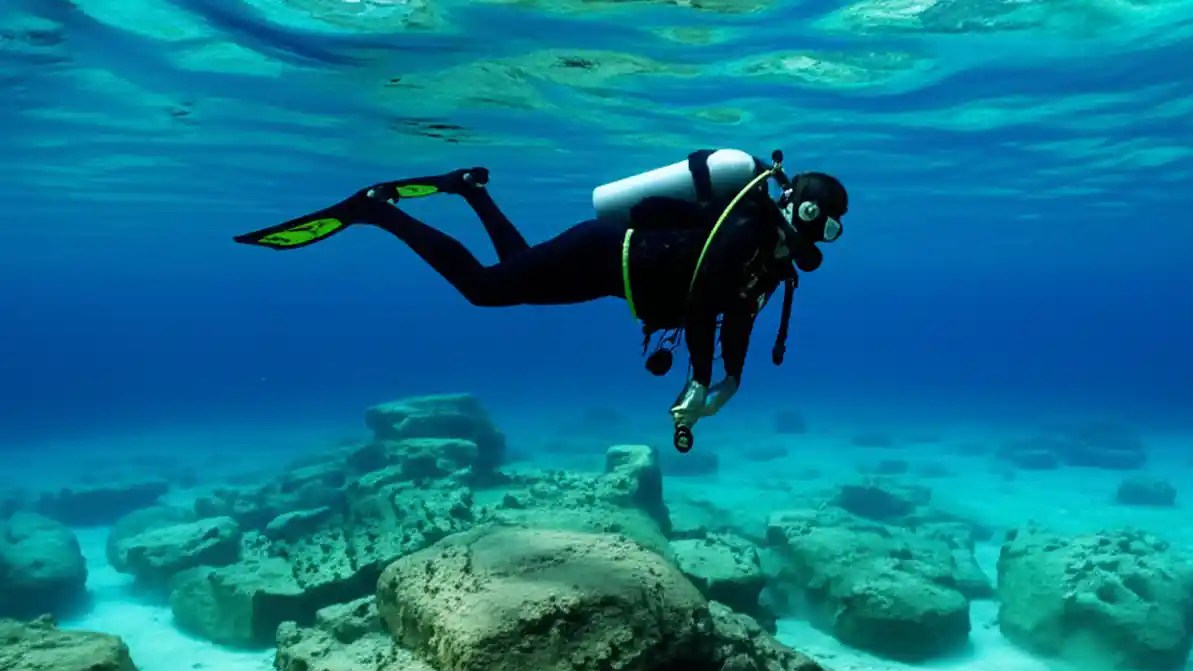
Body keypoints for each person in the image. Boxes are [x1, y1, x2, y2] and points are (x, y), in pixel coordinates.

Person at [234, 149, 849, 452]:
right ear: (806, 213)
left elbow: (736, 311)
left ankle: (469, 190)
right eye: (826, 227)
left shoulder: (772, 262)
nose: (823, 242)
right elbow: (707, 295)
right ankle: (375, 212)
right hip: (606, 253)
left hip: (617, 275)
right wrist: (698, 380)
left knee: (510, 276)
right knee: (483, 290)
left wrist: (729, 382)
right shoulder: (746, 232)